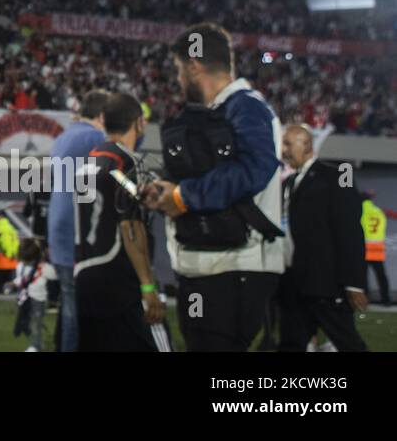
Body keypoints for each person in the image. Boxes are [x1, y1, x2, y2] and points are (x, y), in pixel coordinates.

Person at [144, 23, 284, 353]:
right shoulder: (221, 112)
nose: (178, 80)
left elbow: (254, 168)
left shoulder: (246, 106)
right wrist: (168, 192)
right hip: (209, 267)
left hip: (236, 268)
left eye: (180, 69)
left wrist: (183, 195)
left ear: (195, 65)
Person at [74, 92, 165, 352]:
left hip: (84, 277)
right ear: (138, 123)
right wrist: (148, 286)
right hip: (118, 278)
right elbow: (130, 227)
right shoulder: (126, 163)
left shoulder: (88, 163)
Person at [277, 124, 367, 351]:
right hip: (294, 282)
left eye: (288, 143)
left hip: (326, 284)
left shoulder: (337, 176)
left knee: (347, 343)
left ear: (306, 144)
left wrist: (354, 282)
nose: (283, 150)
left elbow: (350, 232)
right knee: (291, 343)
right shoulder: (288, 183)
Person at [46, 89, 110, 351]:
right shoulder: (95, 137)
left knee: (70, 304)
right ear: (103, 115)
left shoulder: (62, 138)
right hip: (79, 231)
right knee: (89, 308)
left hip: (58, 229)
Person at [13, 237, 52, 351]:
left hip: (39, 300)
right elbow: (21, 279)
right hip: (25, 300)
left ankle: (35, 345)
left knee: (35, 323)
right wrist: (13, 283)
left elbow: (53, 274)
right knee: (27, 323)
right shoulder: (21, 267)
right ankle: (37, 342)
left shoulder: (42, 267)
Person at [360, 192, 389, 305]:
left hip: (363, 249)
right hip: (377, 249)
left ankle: (364, 300)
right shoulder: (378, 211)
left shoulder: (360, 211)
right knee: (381, 276)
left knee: (362, 277)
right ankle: (386, 300)